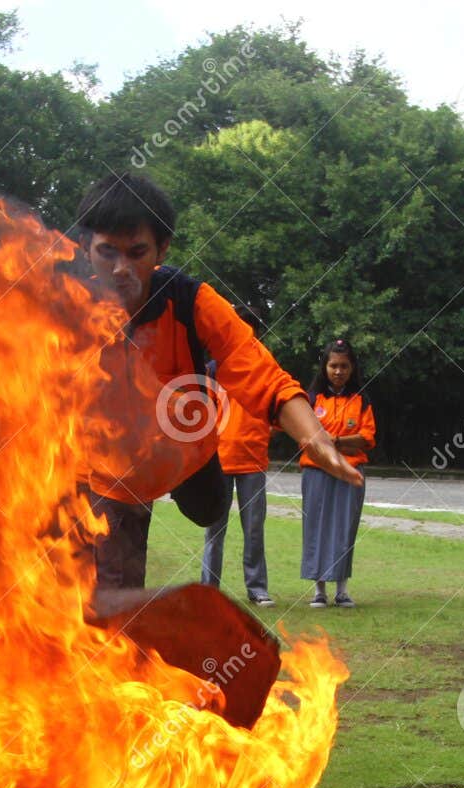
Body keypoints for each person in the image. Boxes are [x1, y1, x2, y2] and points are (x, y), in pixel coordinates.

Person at [73, 173, 359, 593]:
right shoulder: (64, 308)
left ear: (161, 249)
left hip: (186, 445)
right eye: (106, 252)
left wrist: (313, 435)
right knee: (113, 589)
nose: (121, 269)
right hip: (110, 465)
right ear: (85, 247)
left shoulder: (189, 299)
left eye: (137, 252)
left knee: (210, 509)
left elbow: (257, 368)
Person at [201, 316, 275, 607]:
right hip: (219, 459)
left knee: (254, 529)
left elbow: (277, 410)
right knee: (213, 531)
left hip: (252, 460)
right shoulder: (212, 370)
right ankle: (209, 590)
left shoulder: (264, 368)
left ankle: (257, 589)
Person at [300, 338, 375, 608]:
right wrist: (326, 442)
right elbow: (304, 433)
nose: (338, 371)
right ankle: (318, 590)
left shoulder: (361, 400)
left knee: (345, 528)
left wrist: (338, 441)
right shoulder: (311, 399)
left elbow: (367, 437)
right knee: (315, 526)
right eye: (333, 366)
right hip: (316, 471)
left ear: (352, 368)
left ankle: (342, 590)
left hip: (350, 471)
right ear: (325, 367)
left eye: (344, 366)